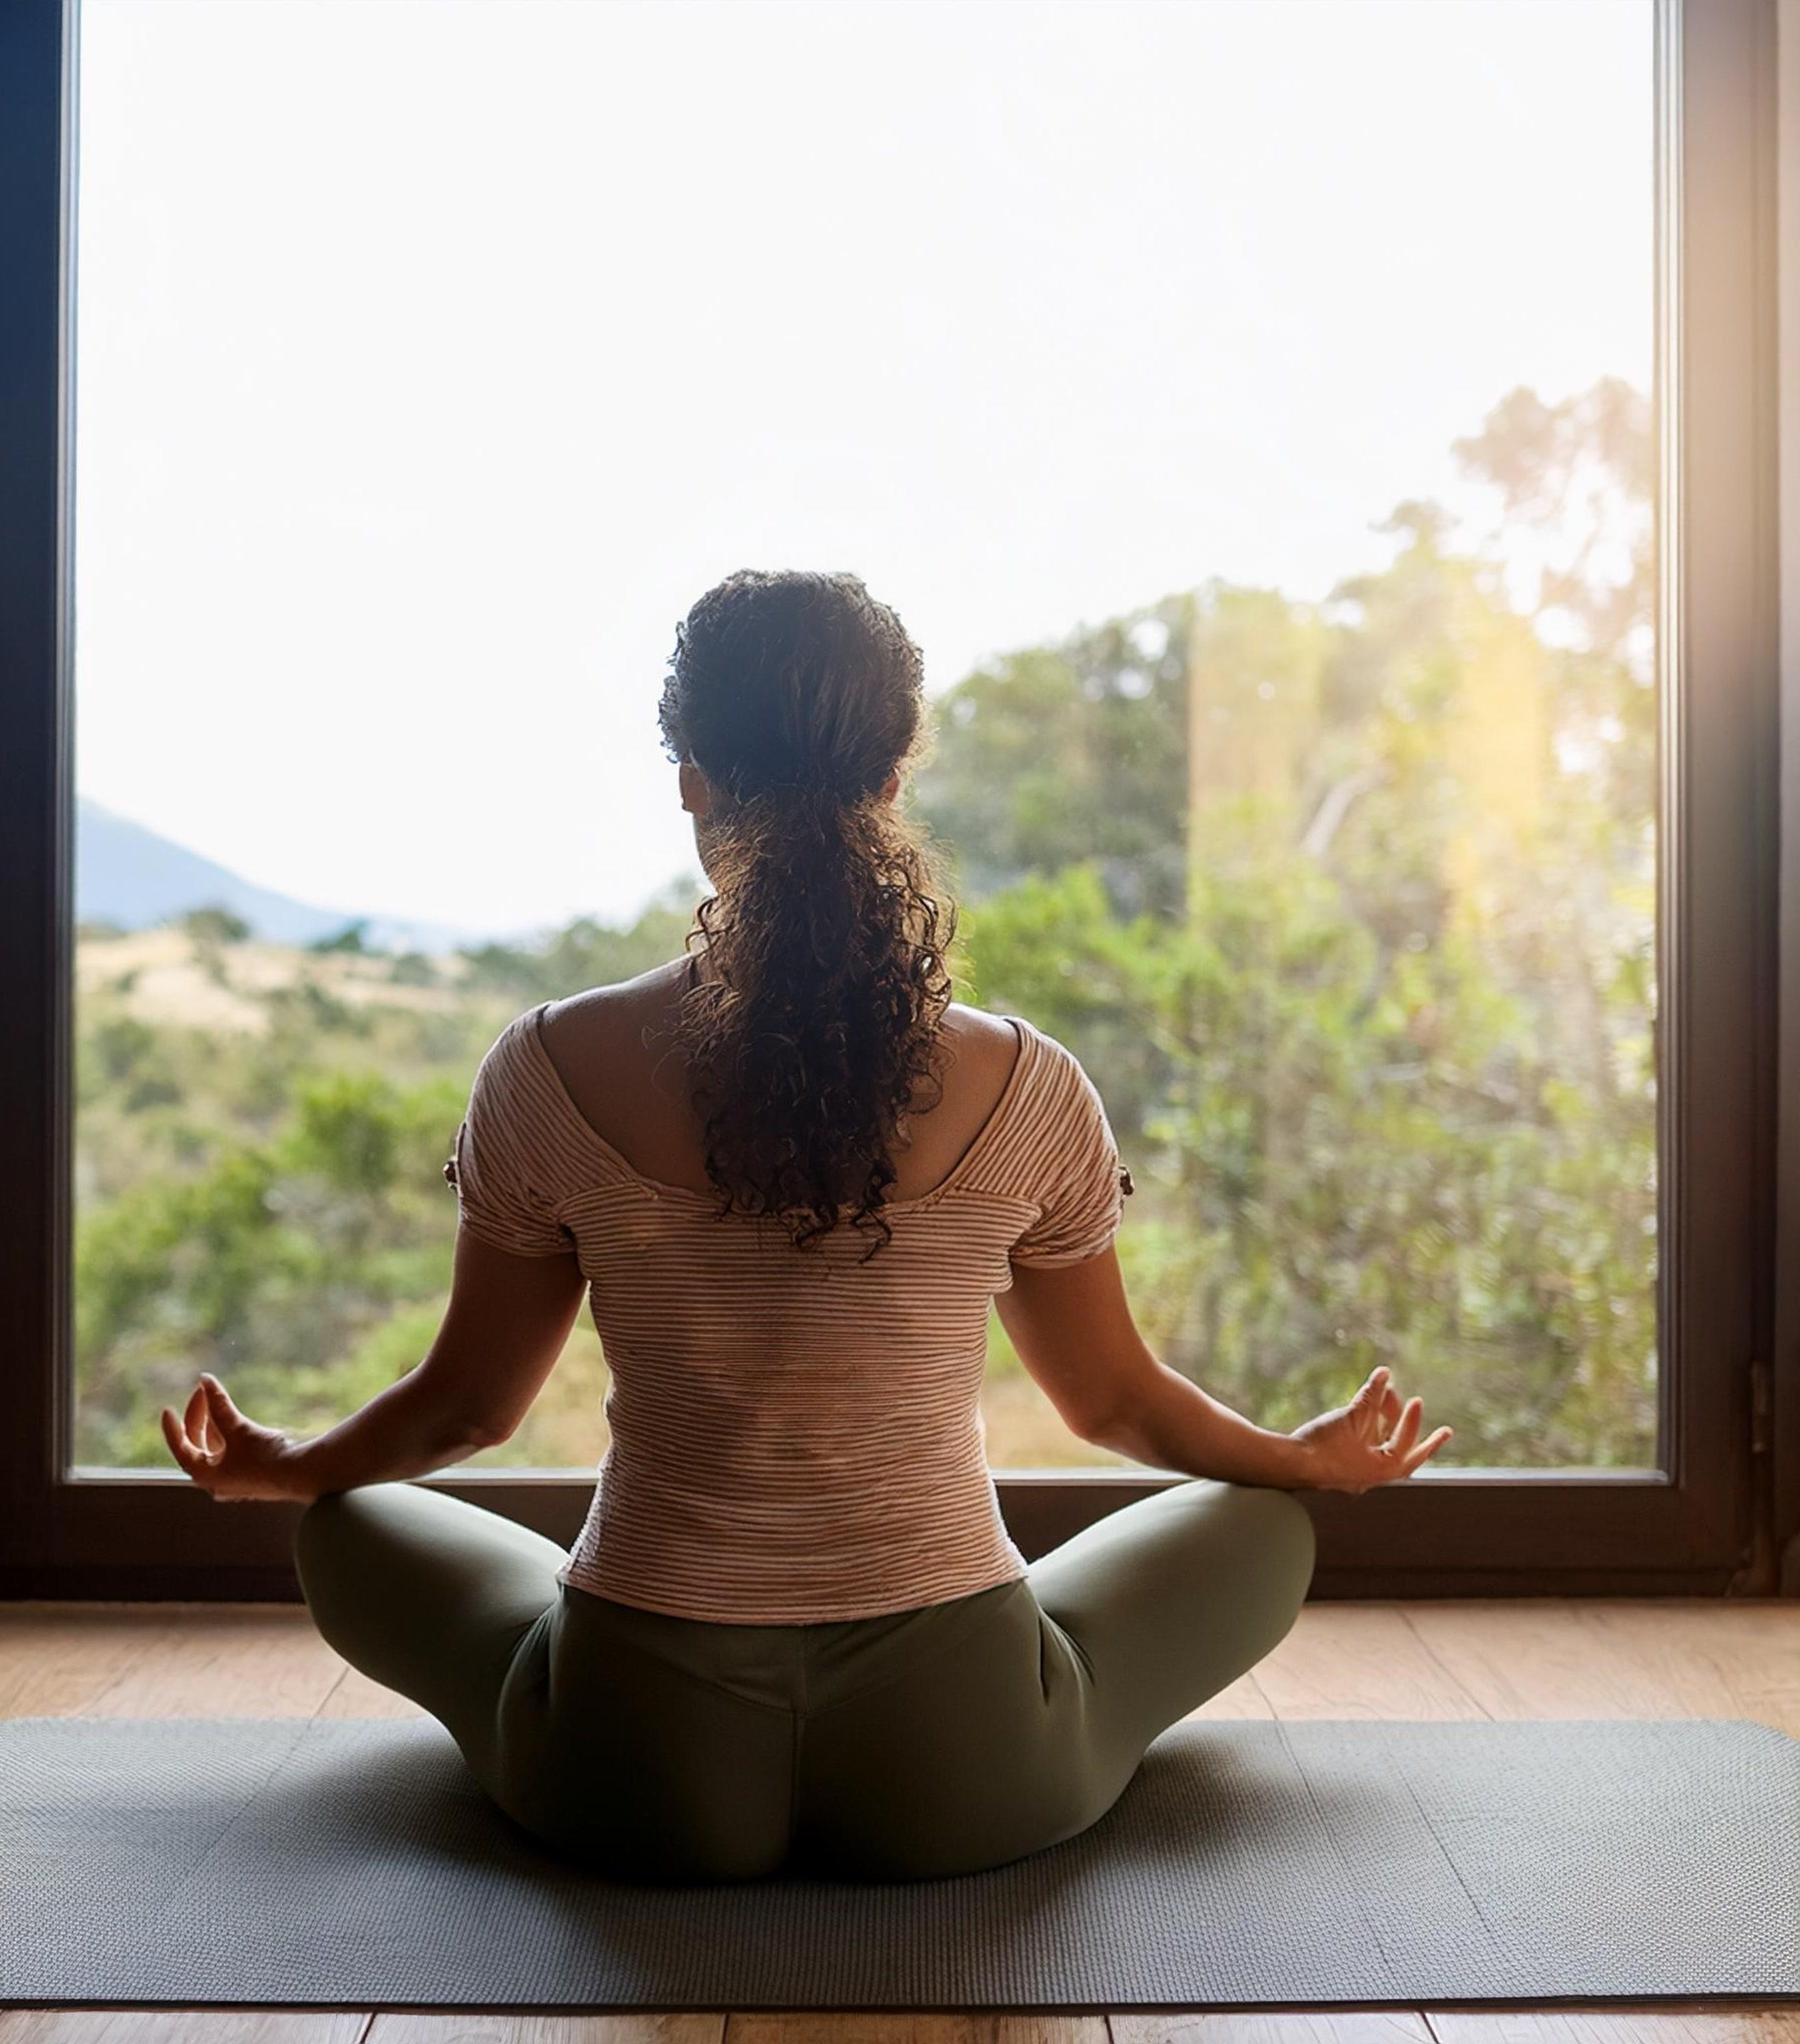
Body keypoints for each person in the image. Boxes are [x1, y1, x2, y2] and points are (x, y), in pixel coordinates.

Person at [162, 568, 1453, 1884]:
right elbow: (1116, 1406)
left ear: (691, 779)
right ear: (895, 779)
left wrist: (291, 1463)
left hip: (634, 1763)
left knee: (346, 1523)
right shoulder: (1029, 1085)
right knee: (1267, 1524)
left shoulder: (547, 1066)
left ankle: (538, 1695)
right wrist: (1300, 1461)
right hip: (967, 1765)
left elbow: (466, 1412)